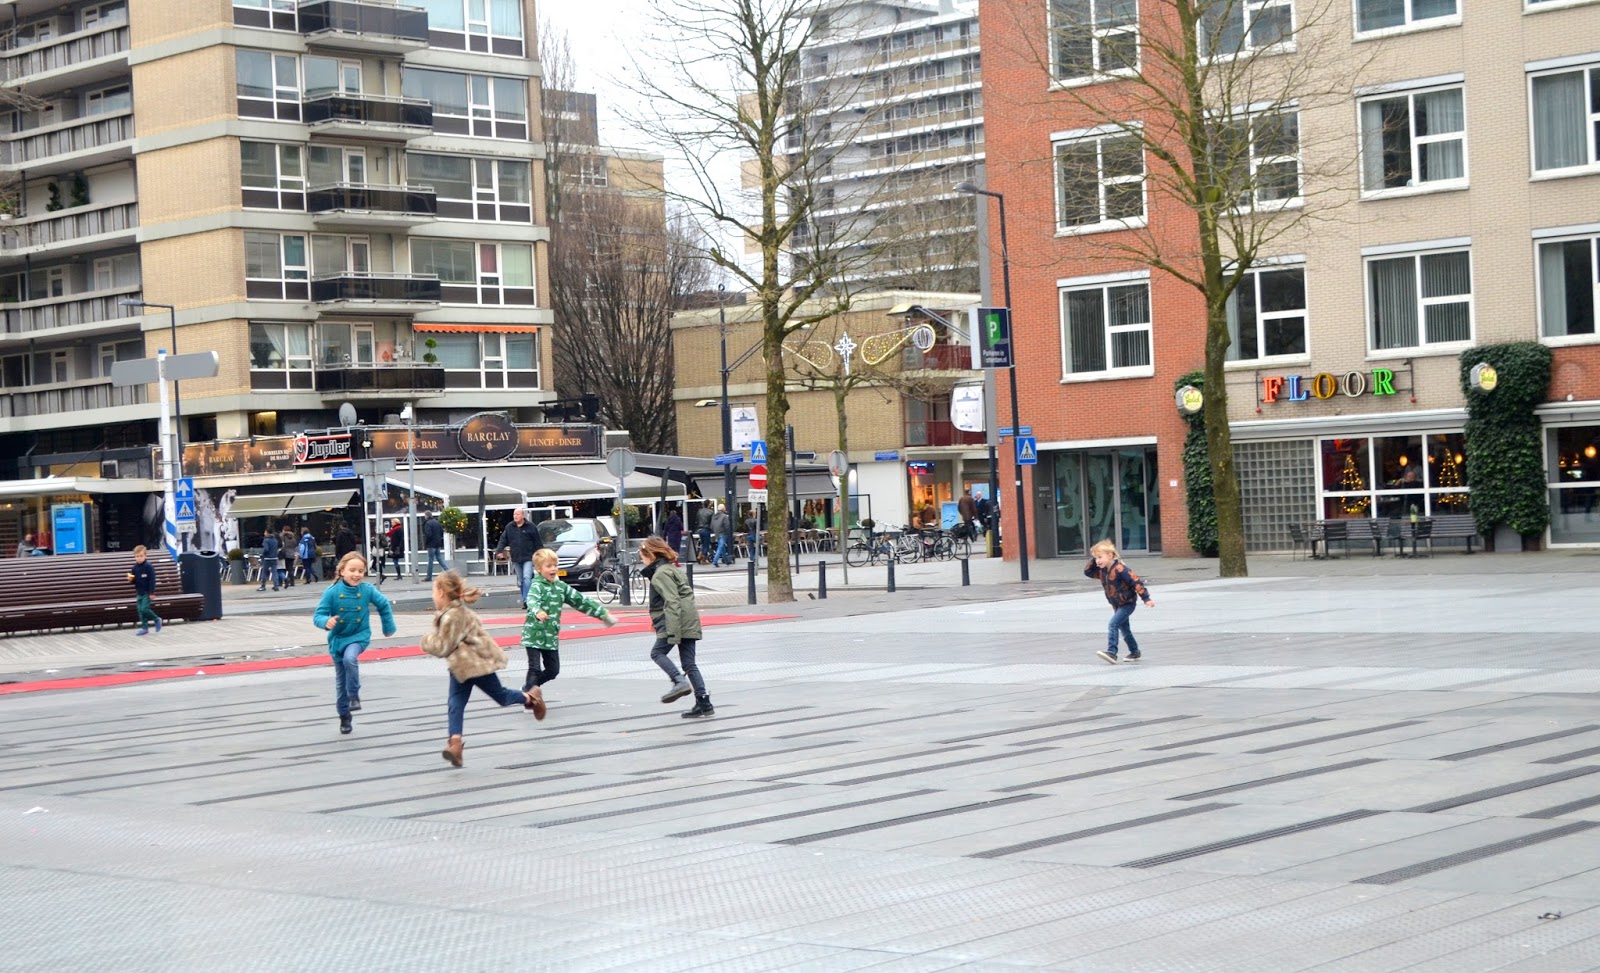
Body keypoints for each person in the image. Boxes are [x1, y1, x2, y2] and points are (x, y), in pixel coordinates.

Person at [421, 570, 544, 768]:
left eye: (434, 592)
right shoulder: (451, 614)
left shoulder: (454, 616)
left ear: (442, 592)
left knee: (501, 696)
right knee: (455, 703)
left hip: (478, 666)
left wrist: (427, 640)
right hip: (461, 667)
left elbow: (444, 646)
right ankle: (455, 744)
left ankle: (531, 698)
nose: (433, 596)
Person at [313, 552, 397, 735]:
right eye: (352, 570)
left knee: (350, 659)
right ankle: (344, 715)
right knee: (340, 682)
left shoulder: (367, 590)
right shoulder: (332, 592)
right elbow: (318, 615)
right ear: (342, 571)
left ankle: (354, 695)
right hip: (338, 640)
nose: (357, 574)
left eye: (360, 571)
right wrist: (326, 622)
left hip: (359, 635)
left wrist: (388, 627)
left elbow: (383, 604)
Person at [521, 547, 616, 699]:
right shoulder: (537, 586)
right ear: (538, 569)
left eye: (555, 565)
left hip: (550, 636)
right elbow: (532, 600)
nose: (553, 569)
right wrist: (537, 611)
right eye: (548, 566)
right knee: (535, 668)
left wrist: (603, 614)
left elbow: (580, 600)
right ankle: (530, 698)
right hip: (534, 634)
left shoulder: (561, 587)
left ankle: (527, 688)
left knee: (553, 670)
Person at [639, 535, 713, 717]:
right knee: (689, 663)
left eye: (642, 556)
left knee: (657, 653)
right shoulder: (672, 569)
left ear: (650, 554)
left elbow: (672, 601)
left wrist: (672, 631)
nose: (641, 560)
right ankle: (704, 703)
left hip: (674, 619)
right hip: (688, 618)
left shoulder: (660, 574)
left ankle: (679, 681)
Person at [1084, 539, 1153, 665]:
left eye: (1100, 557)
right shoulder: (1102, 571)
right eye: (1095, 558)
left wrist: (1146, 598)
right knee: (1125, 629)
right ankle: (1134, 651)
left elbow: (1136, 582)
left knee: (1113, 624)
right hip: (1116, 604)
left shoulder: (1121, 569)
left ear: (1110, 555)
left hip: (1127, 603)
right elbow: (1088, 572)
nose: (1097, 561)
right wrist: (1095, 559)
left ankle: (1112, 652)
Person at [493, 507, 543, 604]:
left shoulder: (531, 526)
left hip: (528, 557)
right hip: (516, 558)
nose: (515, 516)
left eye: (517, 514)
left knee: (527, 577)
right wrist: (499, 551)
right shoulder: (509, 527)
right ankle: (526, 598)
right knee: (520, 581)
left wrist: (541, 554)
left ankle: (527, 600)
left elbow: (538, 542)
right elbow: (503, 539)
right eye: (514, 514)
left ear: (523, 515)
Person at [128, 544, 162, 636]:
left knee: (144, 609)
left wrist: (151, 592)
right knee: (140, 610)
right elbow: (133, 581)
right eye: (137, 556)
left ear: (146, 556)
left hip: (147, 592)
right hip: (139, 592)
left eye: (141, 556)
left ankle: (156, 619)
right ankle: (144, 628)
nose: (139, 558)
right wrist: (130, 579)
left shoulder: (148, 567)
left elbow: (152, 580)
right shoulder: (134, 568)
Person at [423, 511, 449, 580]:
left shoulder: (427, 523)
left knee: (430, 560)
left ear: (427, 516)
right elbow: (441, 532)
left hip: (431, 544)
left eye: (425, 516)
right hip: (438, 543)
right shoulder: (437, 522)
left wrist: (426, 543)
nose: (424, 517)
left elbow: (428, 535)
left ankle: (429, 576)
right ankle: (449, 572)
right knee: (439, 558)